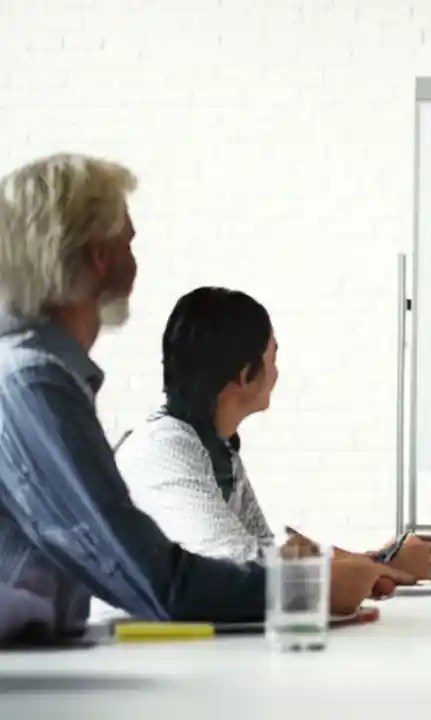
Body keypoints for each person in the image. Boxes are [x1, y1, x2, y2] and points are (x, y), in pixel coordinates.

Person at [0, 154, 404, 644]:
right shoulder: (33, 382)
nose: (136, 257)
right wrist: (309, 588)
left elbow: (245, 548)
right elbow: (158, 582)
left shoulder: (38, 377)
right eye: (128, 240)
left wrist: (330, 569)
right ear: (98, 253)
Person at [114, 286, 431, 581]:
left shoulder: (218, 448)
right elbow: (241, 562)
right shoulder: (165, 448)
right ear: (245, 375)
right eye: (273, 358)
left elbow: (263, 547)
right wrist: (380, 569)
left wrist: (372, 562)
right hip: (133, 642)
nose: (277, 373)